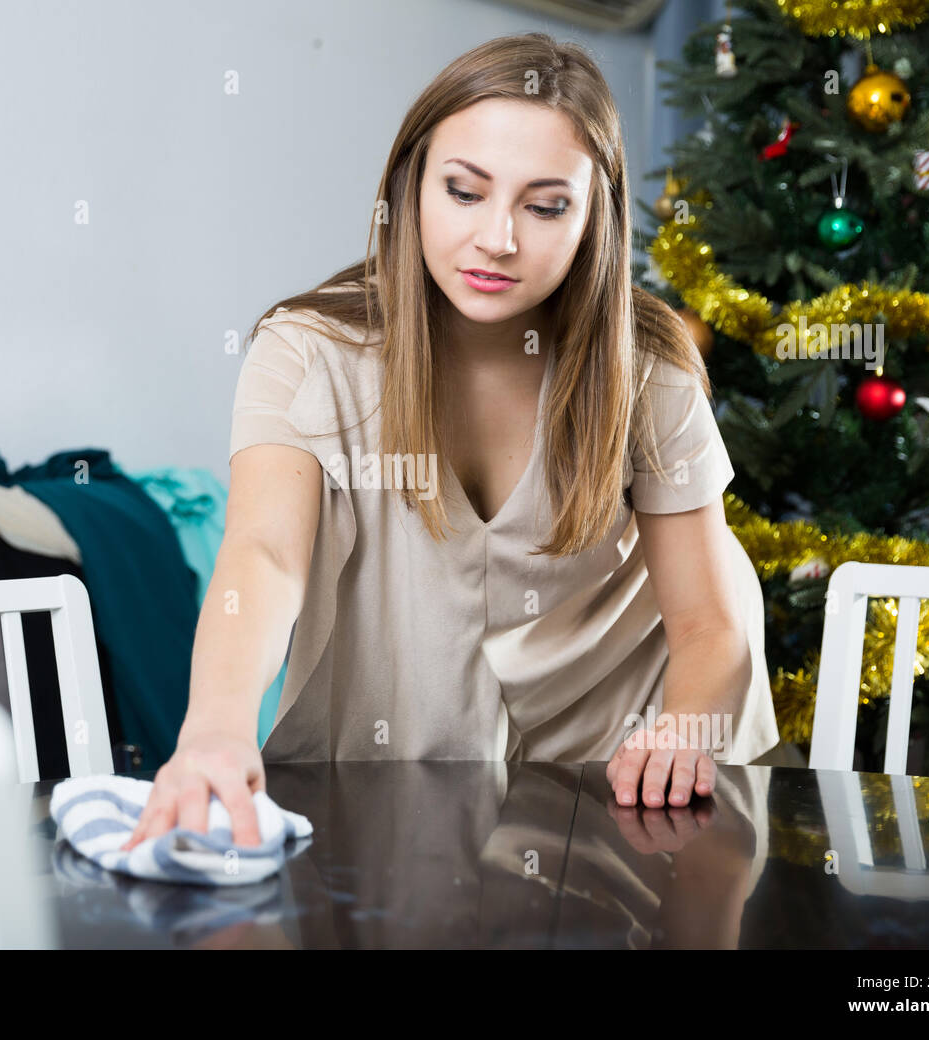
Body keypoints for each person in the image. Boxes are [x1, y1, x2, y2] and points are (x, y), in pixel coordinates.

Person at [124, 32, 779, 851]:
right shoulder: (306, 351)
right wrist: (215, 728)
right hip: (395, 788)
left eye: (546, 207)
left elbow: (710, 625)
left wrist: (681, 734)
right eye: (464, 192)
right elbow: (263, 556)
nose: (497, 238)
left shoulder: (648, 367)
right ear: (410, 186)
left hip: (623, 785)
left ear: (595, 219)